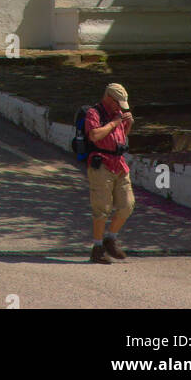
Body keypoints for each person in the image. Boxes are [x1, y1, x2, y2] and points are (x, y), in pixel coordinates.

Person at [85, 82, 135, 264]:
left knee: (127, 205)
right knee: (101, 208)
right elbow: (95, 135)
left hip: (119, 163)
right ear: (108, 98)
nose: (119, 107)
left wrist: (126, 124)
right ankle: (97, 248)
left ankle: (111, 238)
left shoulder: (118, 114)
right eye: (117, 103)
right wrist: (114, 123)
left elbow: (122, 139)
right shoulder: (94, 113)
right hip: (101, 164)